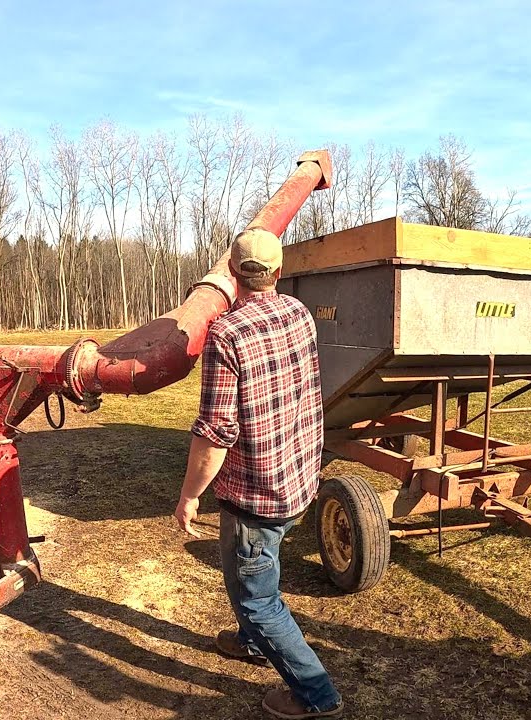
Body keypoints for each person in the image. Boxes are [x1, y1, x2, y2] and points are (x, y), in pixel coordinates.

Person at [174, 228, 344, 719]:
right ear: (279, 270)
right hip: (298, 477)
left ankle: (317, 696)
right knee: (258, 573)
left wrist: (189, 496)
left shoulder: (226, 335)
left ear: (232, 271)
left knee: (256, 599)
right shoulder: (299, 314)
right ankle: (252, 644)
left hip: (257, 495)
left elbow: (215, 433)